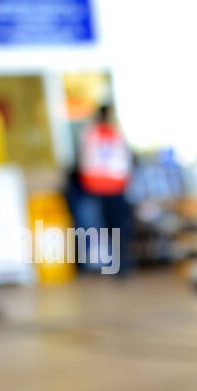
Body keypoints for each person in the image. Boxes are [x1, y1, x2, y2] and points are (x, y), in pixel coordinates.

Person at [77, 103, 134, 276]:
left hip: (96, 186)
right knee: (117, 227)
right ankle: (119, 263)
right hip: (113, 186)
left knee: (104, 228)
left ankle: (113, 263)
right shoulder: (114, 133)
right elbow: (125, 158)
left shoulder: (89, 133)